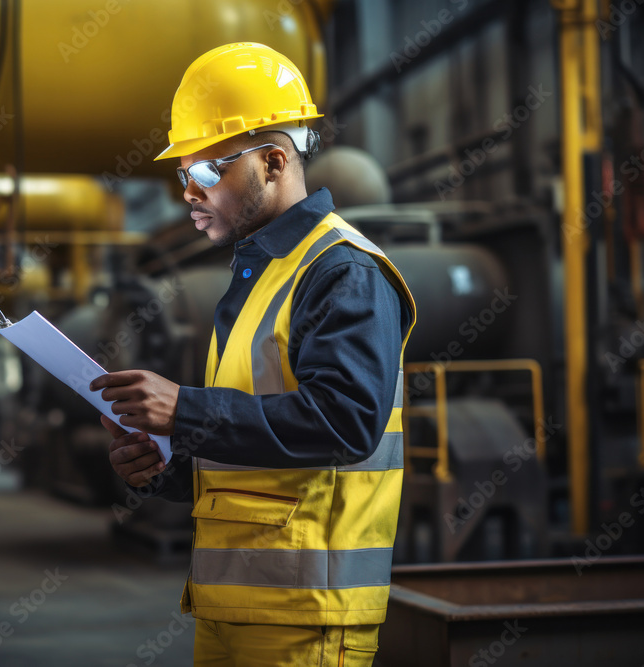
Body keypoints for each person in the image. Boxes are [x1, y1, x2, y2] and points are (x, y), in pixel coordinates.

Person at [90, 42, 416, 666]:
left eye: (208, 170)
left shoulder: (340, 270)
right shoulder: (259, 278)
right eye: (181, 173)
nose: (189, 190)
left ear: (273, 161)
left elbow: (345, 422)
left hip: (306, 620)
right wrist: (163, 466)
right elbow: (256, 455)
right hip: (234, 608)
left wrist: (184, 411)